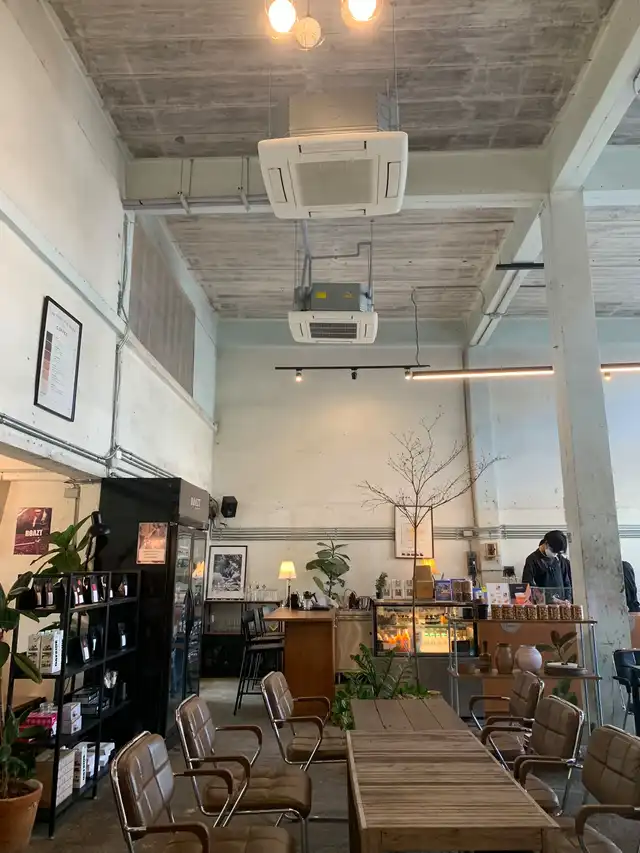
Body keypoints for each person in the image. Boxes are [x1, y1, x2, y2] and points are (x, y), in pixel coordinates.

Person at [522, 530, 572, 602]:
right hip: (544, 603)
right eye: (554, 551)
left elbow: (567, 582)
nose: (555, 555)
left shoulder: (560, 559)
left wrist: (568, 599)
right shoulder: (532, 560)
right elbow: (528, 583)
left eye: (557, 553)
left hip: (562, 603)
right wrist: (550, 599)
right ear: (546, 544)